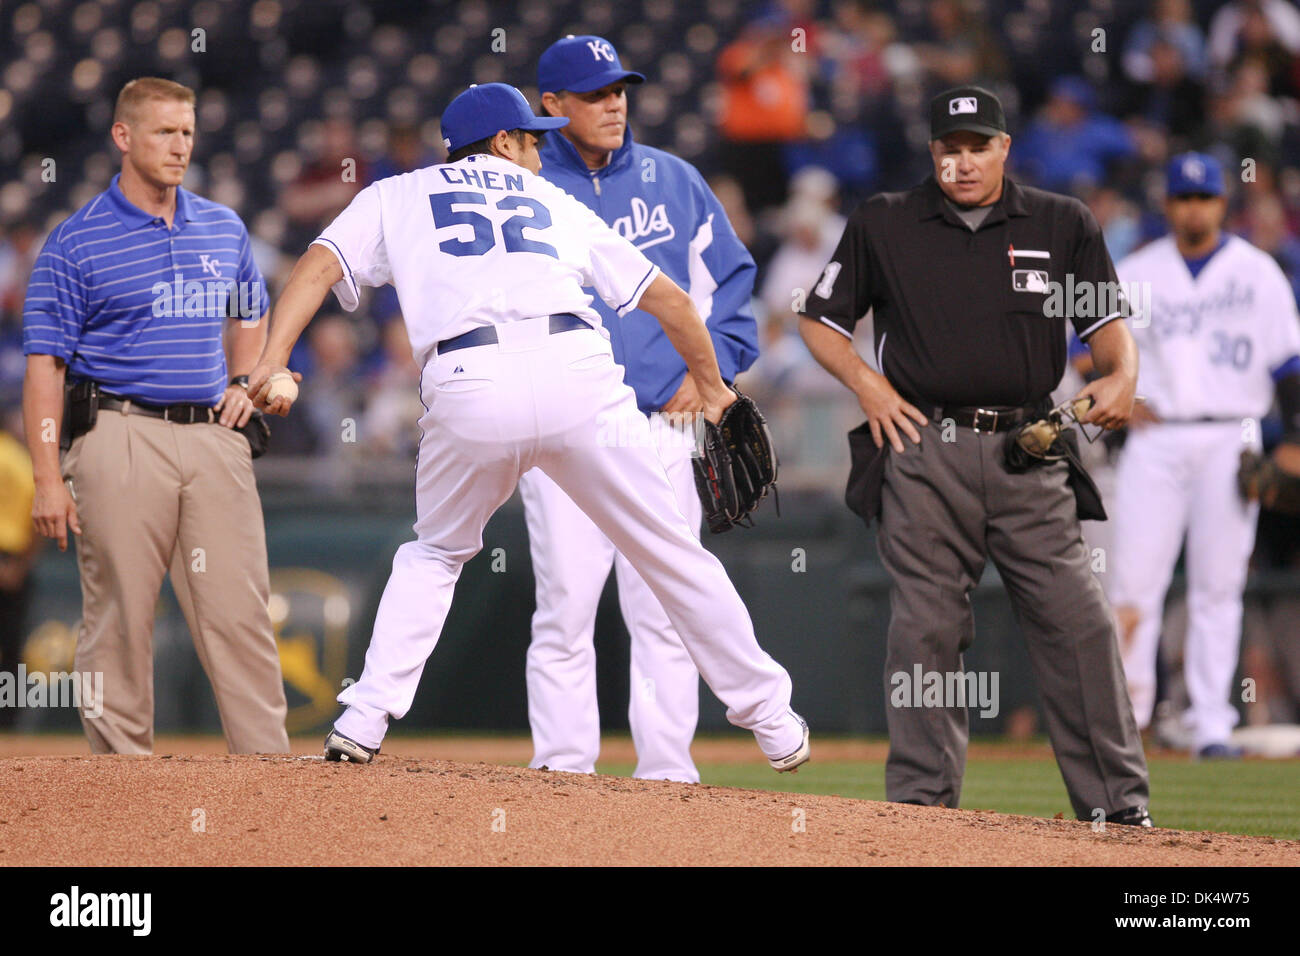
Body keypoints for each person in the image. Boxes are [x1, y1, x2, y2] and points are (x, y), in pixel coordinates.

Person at [246, 83, 810, 772]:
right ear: (503, 143)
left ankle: (361, 723)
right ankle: (774, 722)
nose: (543, 150)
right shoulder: (553, 202)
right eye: (533, 137)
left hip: (468, 378)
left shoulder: (396, 194)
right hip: (578, 373)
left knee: (435, 554)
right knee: (670, 551)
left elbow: (316, 267)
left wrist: (271, 360)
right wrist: (717, 393)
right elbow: (668, 299)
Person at [797, 85, 1152, 825]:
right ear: (932, 151)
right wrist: (867, 386)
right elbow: (820, 320)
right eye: (948, 149)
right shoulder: (885, 221)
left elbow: (1107, 326)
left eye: (977, 147)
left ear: (1004, 148)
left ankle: (1119, 813)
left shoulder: (1061, 220)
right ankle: (923, 814)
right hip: (925, 449)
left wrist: (1125, 374)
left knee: (1078, 627)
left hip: (1033, 448)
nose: (961, 163)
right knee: (925, 630)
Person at [20, 77, 289, 754]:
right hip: (119, 431)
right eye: (165, 132)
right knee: (119, 615)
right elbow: (45, 369)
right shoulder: (75, 242)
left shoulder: (223, 226)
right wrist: (47, 477)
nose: (180, 146)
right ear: (123, 137)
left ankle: (275, 783)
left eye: (188, 132)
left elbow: (251, 314)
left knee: (240, 611)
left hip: (212, 434)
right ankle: (124, 789)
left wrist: (242, 379)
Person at [518, 35, 760, 783]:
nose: (615, 103)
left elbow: (735, 286)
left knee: (663, 604)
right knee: (565, 606)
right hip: (562, 434)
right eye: (595, 94)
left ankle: (666, 774)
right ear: (552, 107)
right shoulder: (521, 189)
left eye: (620, 89)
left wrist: (709, 369)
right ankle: (563, 768)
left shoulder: (674, 179)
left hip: (663, 426)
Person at [1111, 152, 1300, 758]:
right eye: (1183, 197)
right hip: (1156, 437)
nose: (1194, 207)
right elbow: (1084, 346)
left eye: (1205, 197)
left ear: (1224, 203)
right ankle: (1129, 718)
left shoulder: (1257, 272)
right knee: (1134, 583)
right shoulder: (1137, 269)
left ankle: (1211, 724)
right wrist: (1122, 393)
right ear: (1167, 203)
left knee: (1219, 586)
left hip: (1232, 433)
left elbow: (1290, 366)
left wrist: (1293, 440)